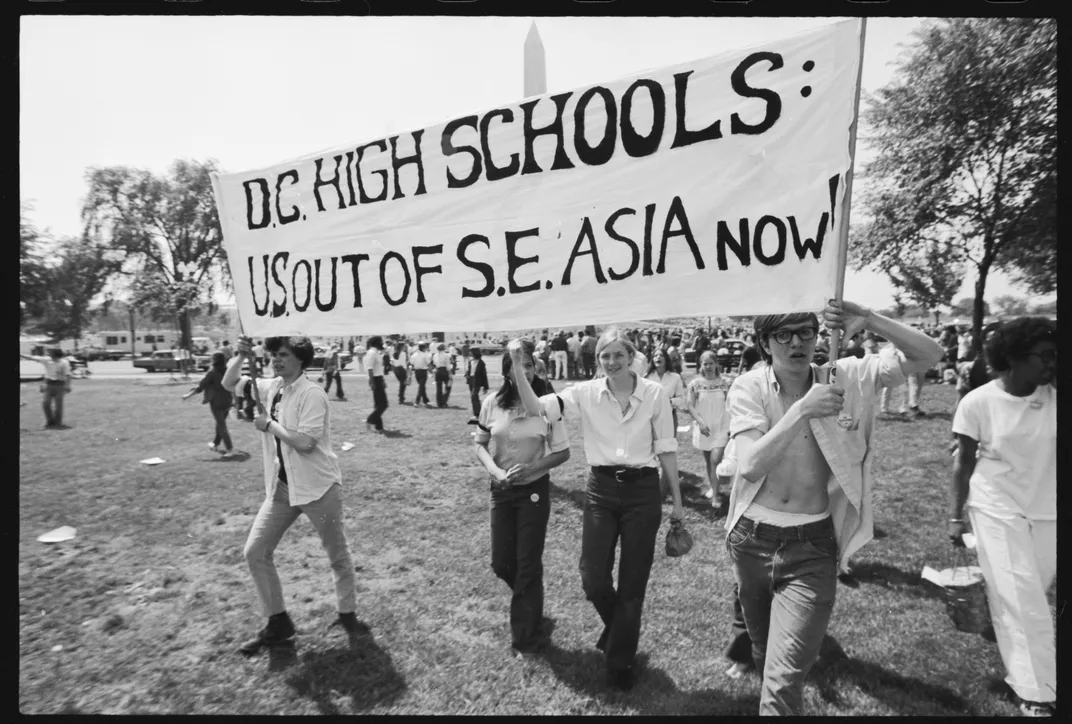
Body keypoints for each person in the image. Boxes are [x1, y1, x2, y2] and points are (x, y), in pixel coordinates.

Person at [725, 299, 942, 715]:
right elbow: (750, 465)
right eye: (783, 334)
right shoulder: (749, 387)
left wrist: (872, 320)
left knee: (785, 674)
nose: (797, 343)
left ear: (817, 335)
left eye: (805, 331)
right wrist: (803, 409)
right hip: (753, 539)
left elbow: (928, 355)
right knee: (762, 646)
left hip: (813, 544)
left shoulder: (848, 376)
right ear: (764, 343)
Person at [509, 328, 685, 691]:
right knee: (593, 578)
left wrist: (678, 507)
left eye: (618, 354)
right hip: (601, 489)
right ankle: (620, 630)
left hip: (643, 492)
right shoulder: (585, 393)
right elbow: (534, 409)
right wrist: (515, 362)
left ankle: (620, 663)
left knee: (633, 583)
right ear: (598, 360)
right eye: (605, 356)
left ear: (631, 355)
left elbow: (667, 448)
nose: (612, 362)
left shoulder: (655, 394)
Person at [222, 335, 367, 656]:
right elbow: (229, 382)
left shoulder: (312, 393)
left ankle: (347, 614)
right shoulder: (270, 387)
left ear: (300, 359)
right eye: (273, 354)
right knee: (255, 552)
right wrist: (240, 355)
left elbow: (306, 443)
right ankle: (278, 624)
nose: (276, 359)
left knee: (337, 554)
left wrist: (269, 425)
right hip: (283, 489)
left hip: (319, 488)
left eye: (284, 354)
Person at [949, 317, 1056, 717]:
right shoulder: (978, 402)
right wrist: (954, 518)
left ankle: (999, 618)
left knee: (1028, 593)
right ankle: (1038, 692)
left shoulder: (1054, 395)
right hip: (995, 507)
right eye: (1044, 356)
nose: (1051, 364)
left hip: (1048, 510)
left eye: (1055, 356)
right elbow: (963, 463)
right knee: (1026, 600)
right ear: (1013, 358)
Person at [473, 339, 571, 656]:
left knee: (527, 565)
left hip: (533, 492)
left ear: (534, 368)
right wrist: (496, 473)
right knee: (502, 563)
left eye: (528, 364)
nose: (524, 370)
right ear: (507, 370)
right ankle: (531, 603)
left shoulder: (548, 406)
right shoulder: (491, 403)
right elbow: (480, 445)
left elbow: (563, 452)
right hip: (501, 491)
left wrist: (533, 468)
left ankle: (525, 637)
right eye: (517, 364)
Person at [686, 351, 731, 502]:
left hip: (722, 427)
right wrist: (700, 422)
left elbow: (731, 404)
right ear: (701, 366)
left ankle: (716, 497)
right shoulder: (695, 384)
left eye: (711, 363)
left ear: (716, 364)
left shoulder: (725, 383)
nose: (709, 366)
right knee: (709, 461)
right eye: (705, 364)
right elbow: (691, 406)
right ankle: (715, 487)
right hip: (704, 428)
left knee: (715, 459)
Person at [644, 349, 687, 498]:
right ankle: (649, 486)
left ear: (666, 359)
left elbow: (682, 399)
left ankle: (661, 491)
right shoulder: (647, 377)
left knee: (666, 452)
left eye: (661, 355)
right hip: (649, 418)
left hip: (669, 417)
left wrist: (669, 402)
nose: (658, 357)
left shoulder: (675, 377)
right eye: (655, 355)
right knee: (650, 452)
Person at [183, 352, 235, 455]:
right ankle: (215, 444)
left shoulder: (212, 373)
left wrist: (188, 395)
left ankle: (229, 449)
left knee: (221, 425)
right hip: (228, 401)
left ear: (214, 360)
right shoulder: (228, 371)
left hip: (217, 402)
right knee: (220, 423)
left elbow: (200, 387)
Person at [21, 349, 72, 428]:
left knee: (58, 405)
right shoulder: (47, 360)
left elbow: (68, 375)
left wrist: (67, 385)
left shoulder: (64, 363)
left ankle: (58, 422)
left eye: (50, 353)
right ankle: (50, 421)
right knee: (45, 403)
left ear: (55, 354)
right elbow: (32, 358)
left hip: (60, 385)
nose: (48, 354)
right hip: (49, 384)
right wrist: (21, 354)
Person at [364, 336, 389, 433]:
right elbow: (370, 369)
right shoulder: (372, 353)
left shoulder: (375, 352)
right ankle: (370, 420)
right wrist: (372, 382)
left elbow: (378, 368)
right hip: (375, 379)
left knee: (378, 404)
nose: (382, 343)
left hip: (379, 378)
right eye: (380, 342)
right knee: (383, 404)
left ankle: (379, 427)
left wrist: (383, 380)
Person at [465, 347, 490, 419]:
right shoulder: (471, 361)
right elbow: (469, 370)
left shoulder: (481, 363)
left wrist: (485, 387)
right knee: (473, 397)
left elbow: (484, 375)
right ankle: (477, 412)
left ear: (474, 352)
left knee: (474, 396)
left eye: (471, 352)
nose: (469, 353)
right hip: (471, 380)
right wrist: (467, 374)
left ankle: (478, 414)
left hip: (477, 381)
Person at [411, 341, 432, 407]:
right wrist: (431, 371)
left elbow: (411, 364)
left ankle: (426, 401)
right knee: (421, 387)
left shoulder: (414, 355)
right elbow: (429, 364)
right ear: (423, 348)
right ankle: (417, 402)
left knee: (421, 387)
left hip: (416, 372)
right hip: (423, 372)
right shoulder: (425, 355)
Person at [433, 342, 453, 408]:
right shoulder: (446, 355)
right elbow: (448, 365)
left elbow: (435, 363)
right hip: (444, 370)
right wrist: (450, 373)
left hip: (438, 370)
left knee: (439, 388)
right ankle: (444, 400)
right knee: (448, 386)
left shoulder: (435, 355)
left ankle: (439, 403)